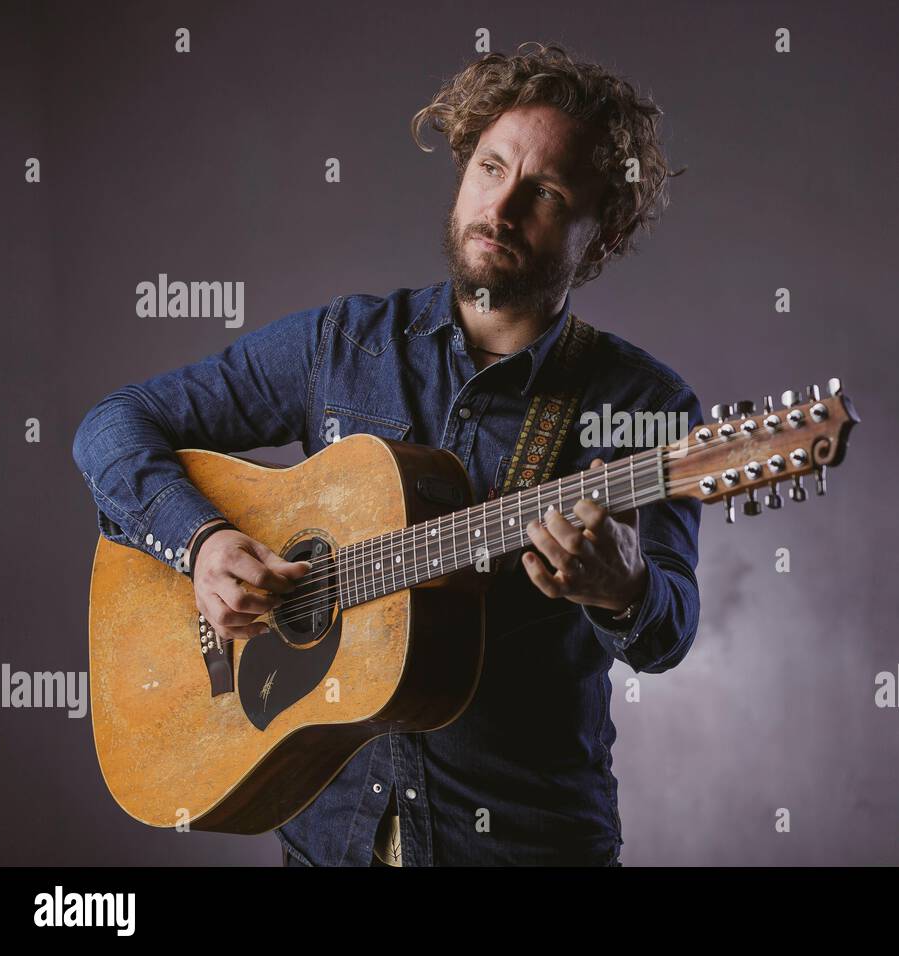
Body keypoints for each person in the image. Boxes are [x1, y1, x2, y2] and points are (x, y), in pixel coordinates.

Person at [72, 42, 702, 866]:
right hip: (329, 843)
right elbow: (113, 426)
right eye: (490, 167)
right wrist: (203, 543)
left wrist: (625, 589)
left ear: (603, 230)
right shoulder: (343, 345)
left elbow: (667, 631)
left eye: (545, 192)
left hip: (521, 842)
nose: (501, 207)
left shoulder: (645, 406)